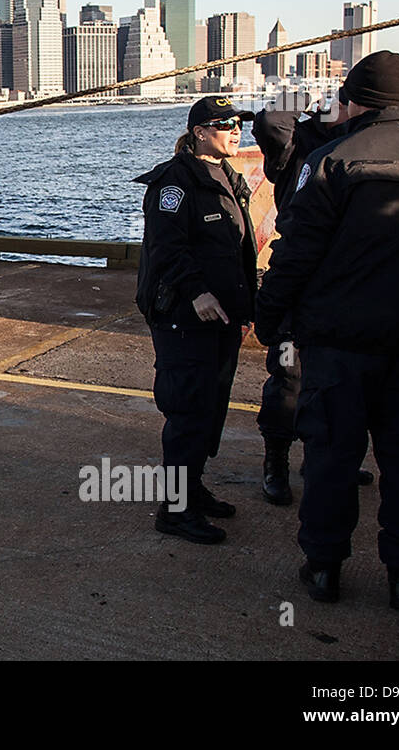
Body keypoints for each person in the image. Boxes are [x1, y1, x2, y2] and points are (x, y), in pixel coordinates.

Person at [255, 51, 399, 611]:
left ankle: (325, 567)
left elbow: (296, 254)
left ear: (356, 99)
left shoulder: (332, 162)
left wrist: (268, 317)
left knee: (331, 457)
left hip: (340, 344)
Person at [134, 96, 257, 545]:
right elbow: (167, 247)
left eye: (239, 123)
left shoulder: (228, 177)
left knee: (210, 406)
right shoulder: (175, 182)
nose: (235, 130)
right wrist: (197, 292)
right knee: (187, 410)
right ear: (199, 131)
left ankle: (193, 487)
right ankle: (175, 510)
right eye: (224, 124)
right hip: (183, 316)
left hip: (221, 317)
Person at [251, 87, 373, 505]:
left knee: (342, 379)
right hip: (296, 279)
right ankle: (276, 463)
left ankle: (328, 456)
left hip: (341, 285)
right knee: (288, 378)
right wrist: (308, 97)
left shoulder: (358, 144)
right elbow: (270, 122)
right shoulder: (295, 147)